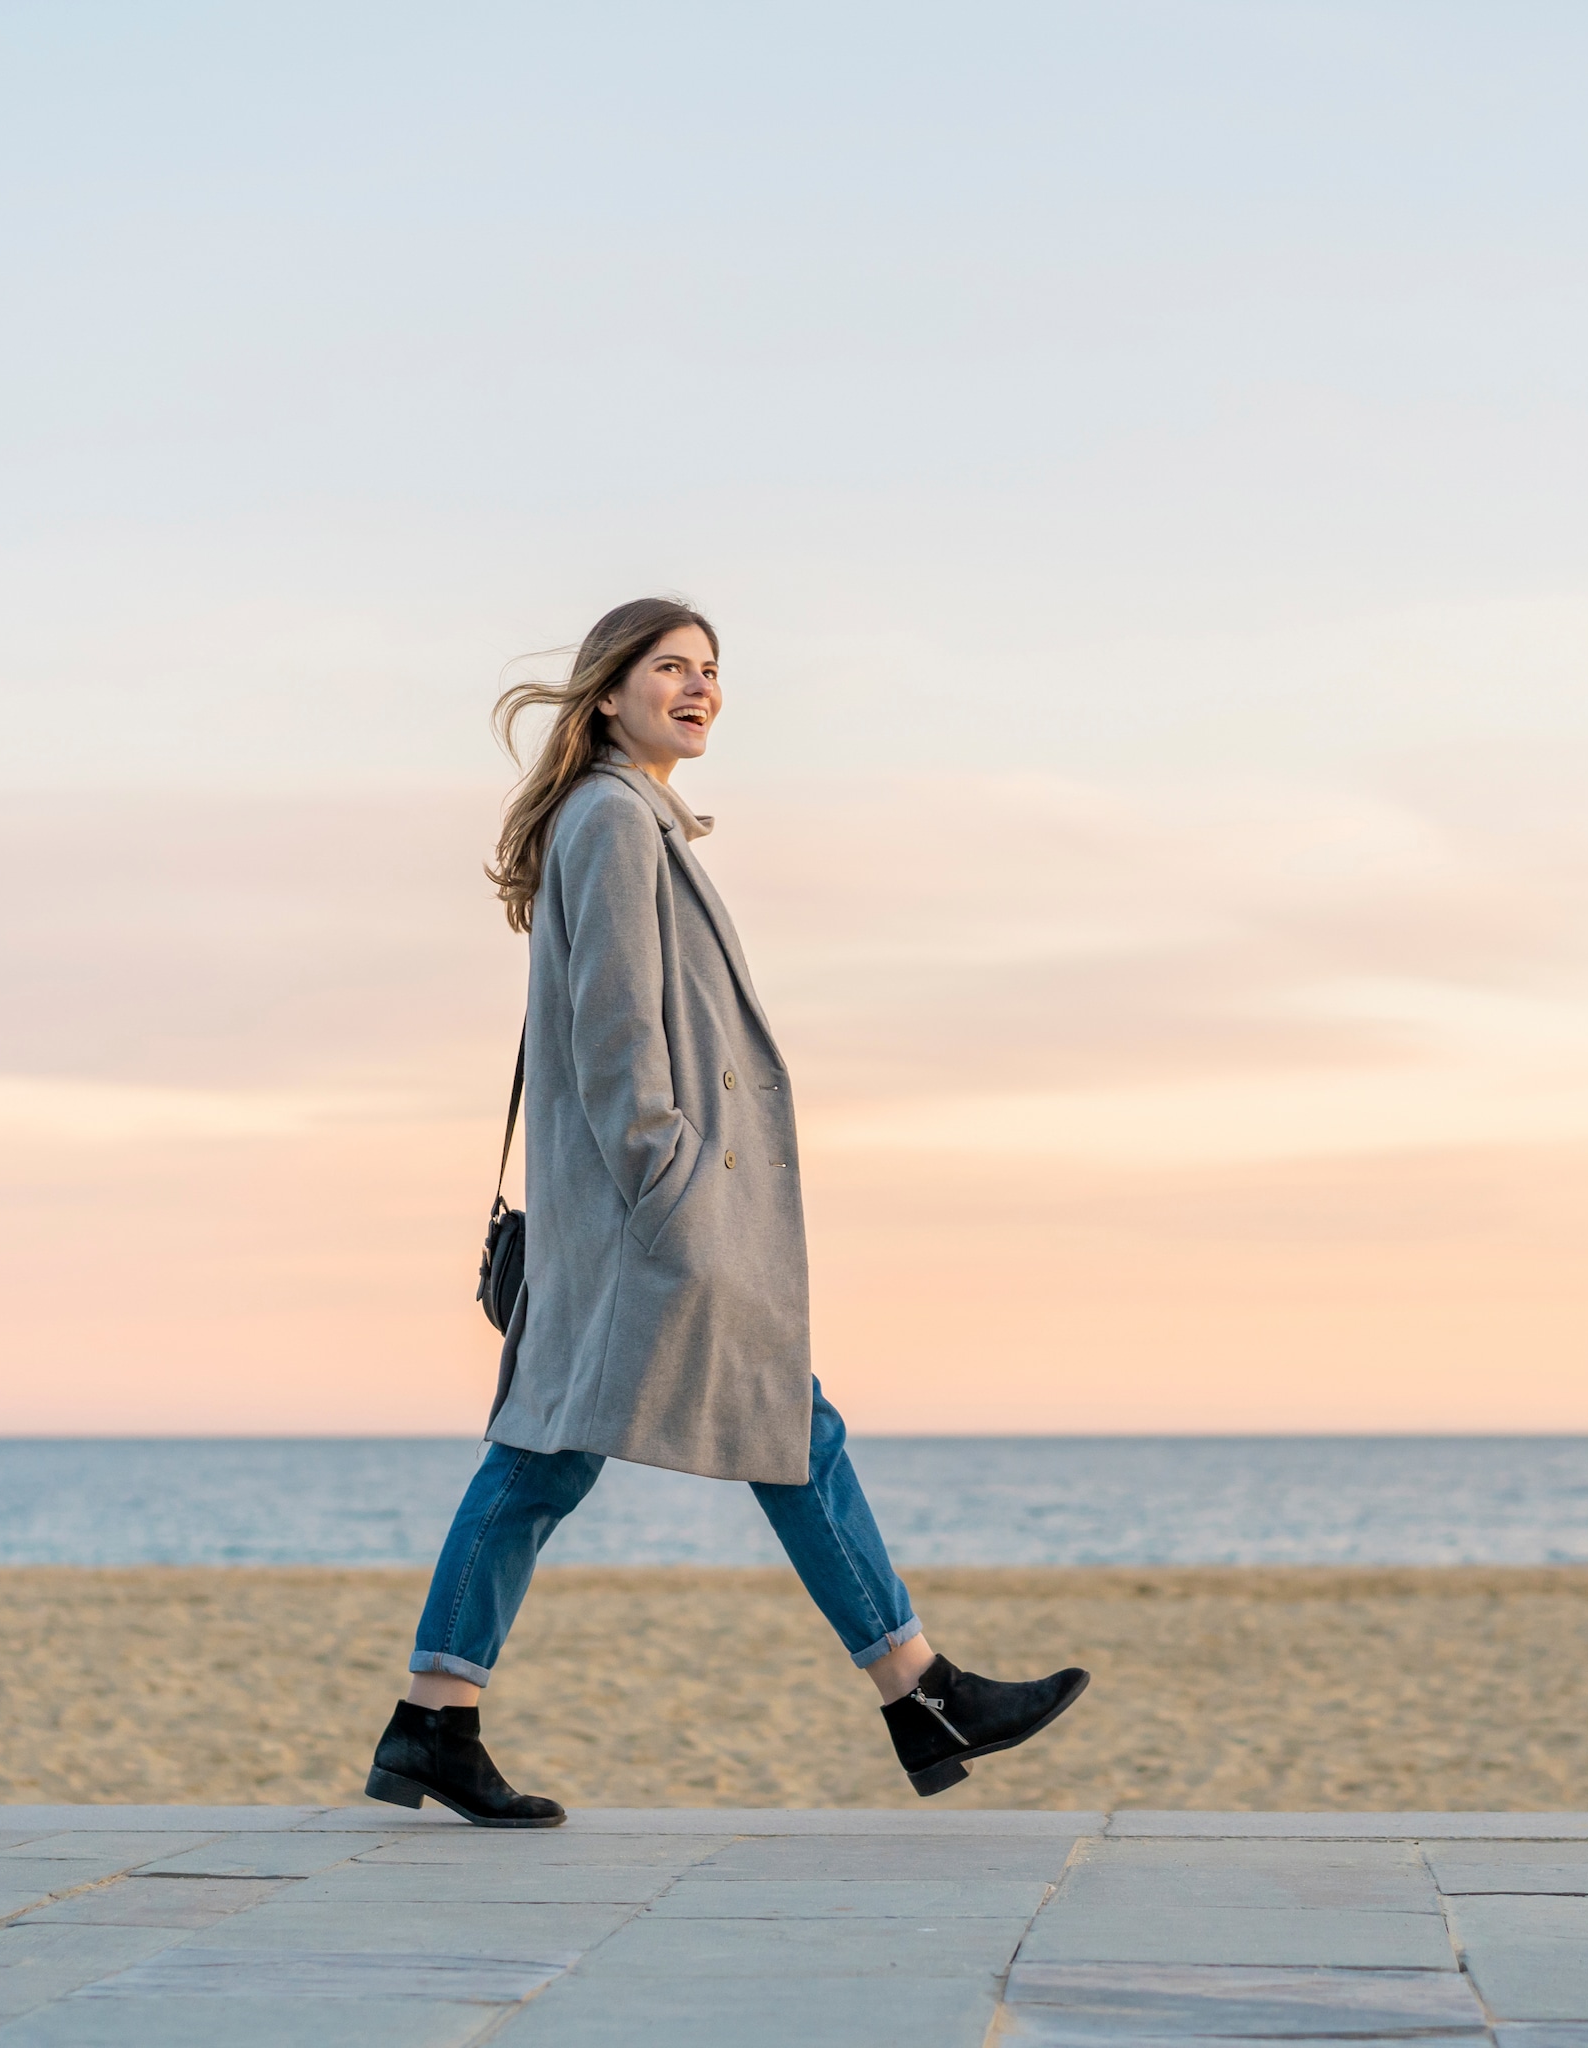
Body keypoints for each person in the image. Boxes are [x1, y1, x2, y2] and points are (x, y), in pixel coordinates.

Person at [366, 597, 1088, 1827]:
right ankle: (920, 1690)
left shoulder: (630, 817)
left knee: (565, 1452)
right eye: (670, 669)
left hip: (636, 1216)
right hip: (656, 1218)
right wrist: (676, 1183)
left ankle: (435, 1720)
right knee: (764, 1431)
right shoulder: (610, 819)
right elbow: (611, 1029)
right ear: (606, 691)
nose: (698, 688)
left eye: (711, 672)